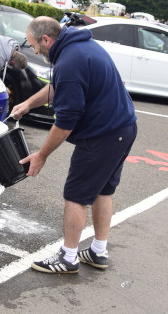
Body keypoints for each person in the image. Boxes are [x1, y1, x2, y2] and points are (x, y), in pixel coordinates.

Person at [10, 16, 137, 274]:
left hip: (102, 135)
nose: (33, 50)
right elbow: (58, 87)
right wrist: (27, 104)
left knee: (76, 196)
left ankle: (68, 258)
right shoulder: (79, 47)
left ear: (46, 39)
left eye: (34, 45)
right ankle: (98, 251)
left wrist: (42, 155)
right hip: (123, 129)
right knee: (103, 191)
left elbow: (66, 121)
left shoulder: (69, 61)